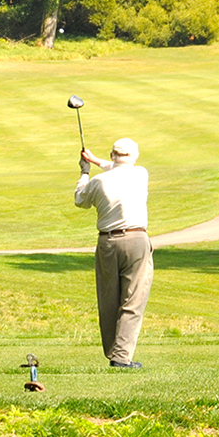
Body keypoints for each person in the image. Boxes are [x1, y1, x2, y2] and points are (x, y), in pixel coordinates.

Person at [75, 138, 152, 368]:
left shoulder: (98, 181)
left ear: (112, 155)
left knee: (109, 299)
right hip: (137, 239)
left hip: (107, 243)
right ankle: (121, 357)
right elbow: (120, 169)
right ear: (135, 157)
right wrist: (97, 161)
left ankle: (114, 352)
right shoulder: (141, 174)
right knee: (133, 299)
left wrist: (85, 171)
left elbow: (80, 199)